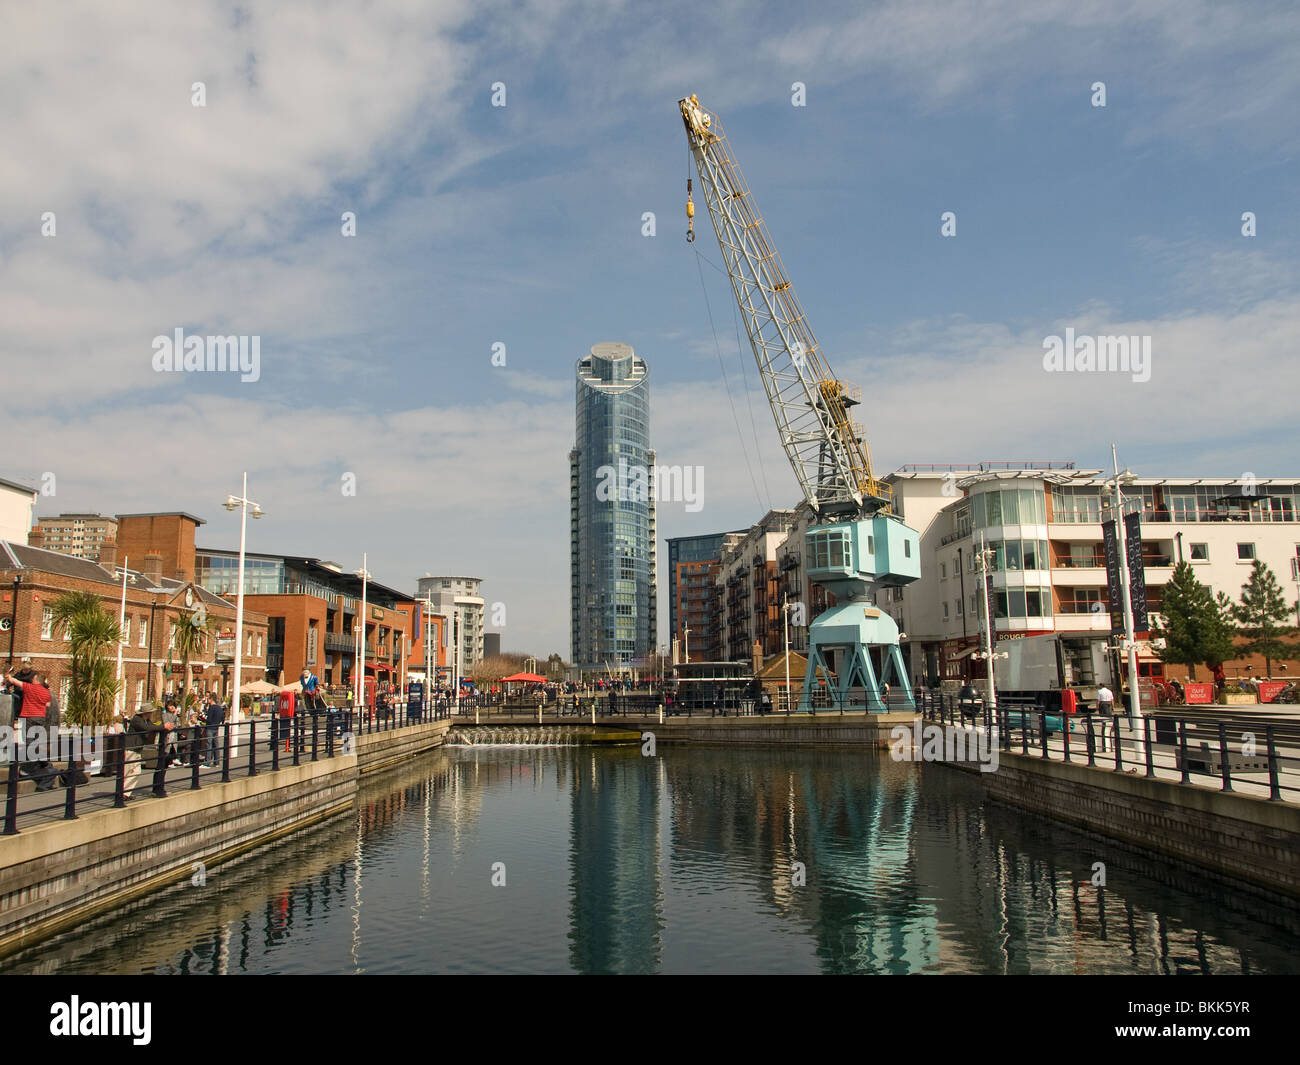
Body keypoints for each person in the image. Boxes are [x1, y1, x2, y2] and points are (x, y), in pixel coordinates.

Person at [124, 701, 175, 800]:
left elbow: (153, 727)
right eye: (150, 712)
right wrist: (163, 726)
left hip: (137, 748)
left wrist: (163, 727)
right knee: (128, 771)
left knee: (136, 771)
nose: (151, 714)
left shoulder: (146, 720)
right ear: (145, 713)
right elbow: (147, 728)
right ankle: (123, 794)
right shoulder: (137, 719)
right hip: (130, 748)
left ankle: (126, 793)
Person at [204, 692, 226, 767]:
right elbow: (223, 717)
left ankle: (207, 762)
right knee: (216, 744)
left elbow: (209, 719)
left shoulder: (211, 707)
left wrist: (205, 720)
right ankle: (217, 762)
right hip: (216, 727)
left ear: (211, 699)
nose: (207, 700)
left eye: (208, 699)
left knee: (209, 744)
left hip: (210, 727)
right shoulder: (219, 708)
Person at [1095, 684, 1115, 751]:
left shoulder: (1099, 691)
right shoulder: (1109, 691)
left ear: (1101, 686)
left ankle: (1104, 727)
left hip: (1103, 703)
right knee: (1109, 716)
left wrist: (1097, 706)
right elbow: (1112, 699)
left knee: (1103, 716)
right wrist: (1113, 706)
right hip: (1109, 703)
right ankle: (1111, 727)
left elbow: (1098, 700)